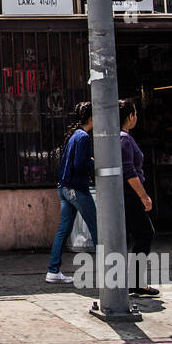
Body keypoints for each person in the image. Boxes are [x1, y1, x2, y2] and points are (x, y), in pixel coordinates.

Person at [46, 101, 97, 283]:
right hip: (77, 188)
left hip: (64, 188)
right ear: (92, 118)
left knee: (64, 229)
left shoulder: (73, 135)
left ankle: (53, 270)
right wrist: (93, 162)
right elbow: (79, 165)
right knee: (98, 228)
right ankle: (111, 272)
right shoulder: (83, 137)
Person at [119, 98, 159, 296]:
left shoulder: (121, 138)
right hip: (131, 195)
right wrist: (143, 196)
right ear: (130, 116)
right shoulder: (124, 139)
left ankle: (135, 281)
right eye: (134, 113)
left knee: (137, 235)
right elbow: (129, 171)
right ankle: (136, 282)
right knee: (145, 233)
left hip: (126, 195)